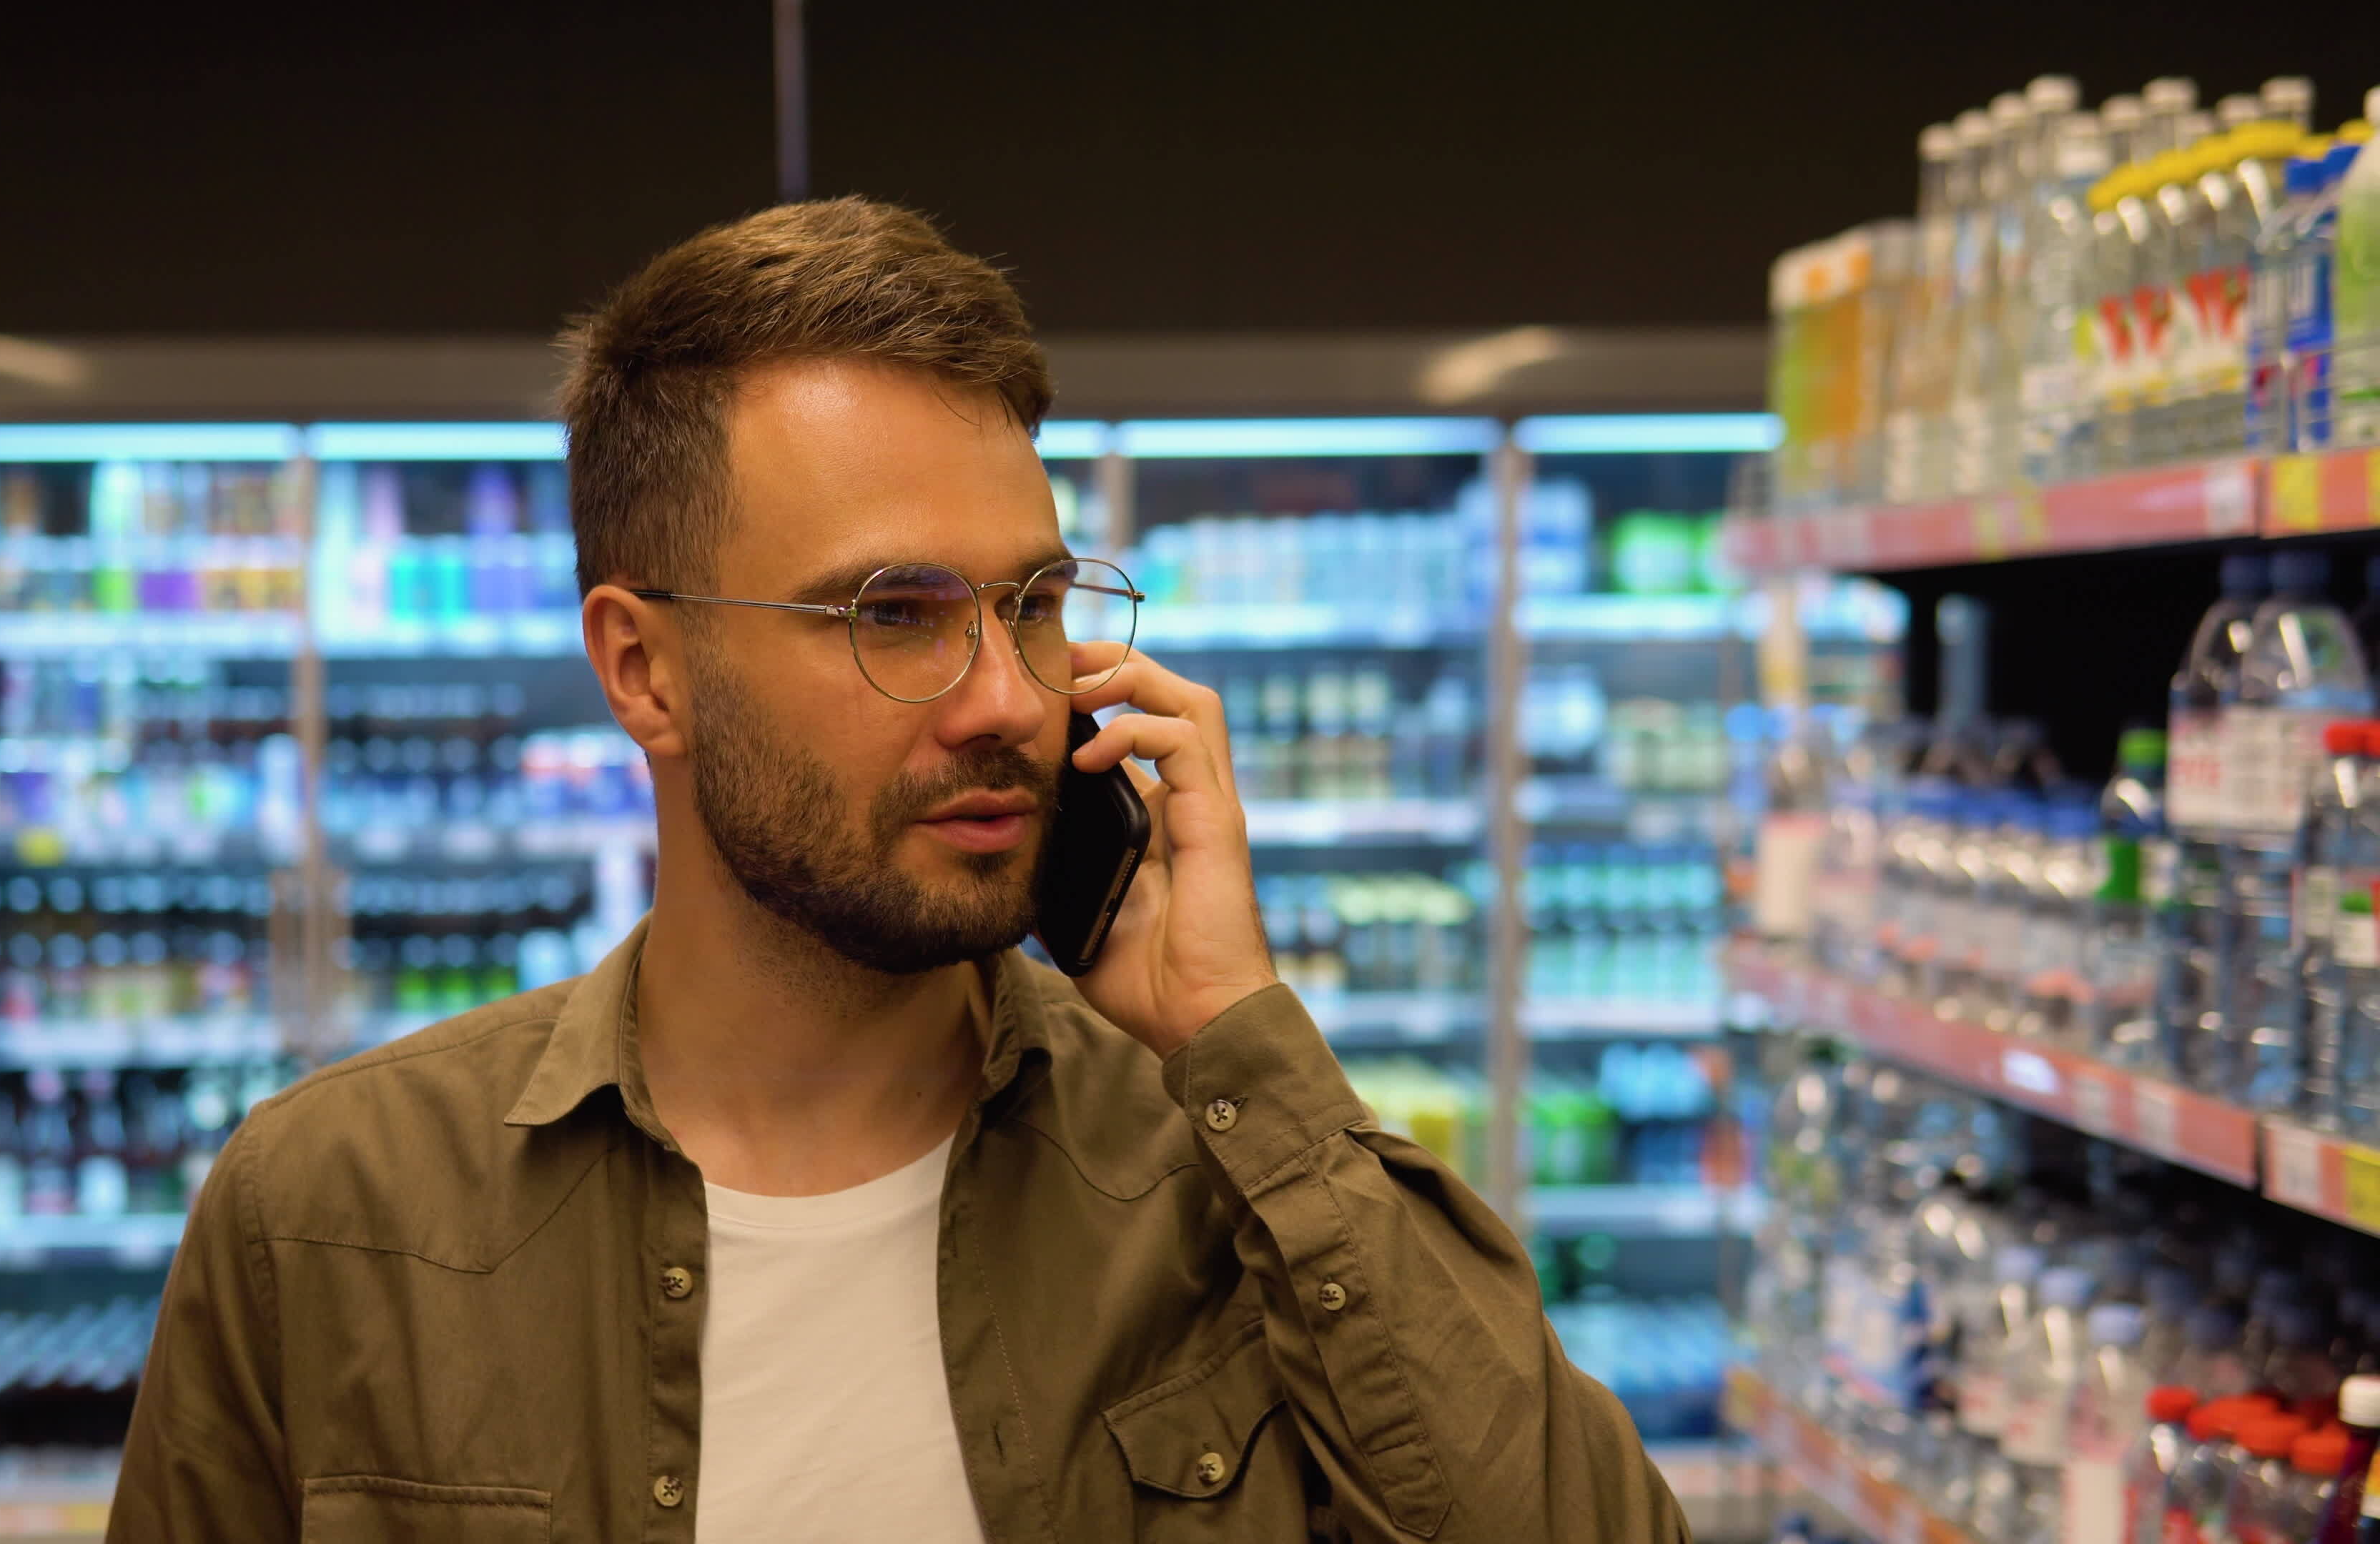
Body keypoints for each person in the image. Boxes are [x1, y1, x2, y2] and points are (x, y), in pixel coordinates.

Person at [109, 197, 1690, 1543]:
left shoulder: (1223, 1183)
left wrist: (1237, 1039)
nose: (1010, 697)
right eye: (893, 615)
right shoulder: (330, 1216)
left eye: (1035, 605)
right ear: (644, 670)